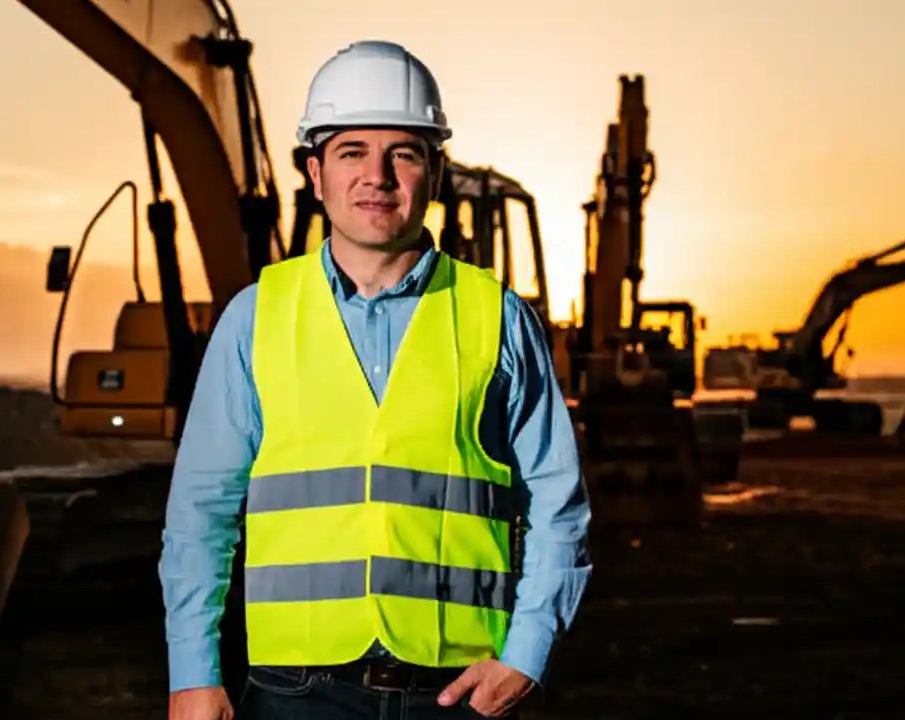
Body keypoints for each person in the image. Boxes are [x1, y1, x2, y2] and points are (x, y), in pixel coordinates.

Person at [159, 39, 591, 720]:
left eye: (404, 153)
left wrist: (527, 653)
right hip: (294, 694)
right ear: (314, 172)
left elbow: (558, 504)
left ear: (435, 172)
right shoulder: (255, 319)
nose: (377, 176)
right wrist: (192, 673)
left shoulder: (499, 320)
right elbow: (199, 514)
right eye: (352, 151)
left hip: (455, 694)